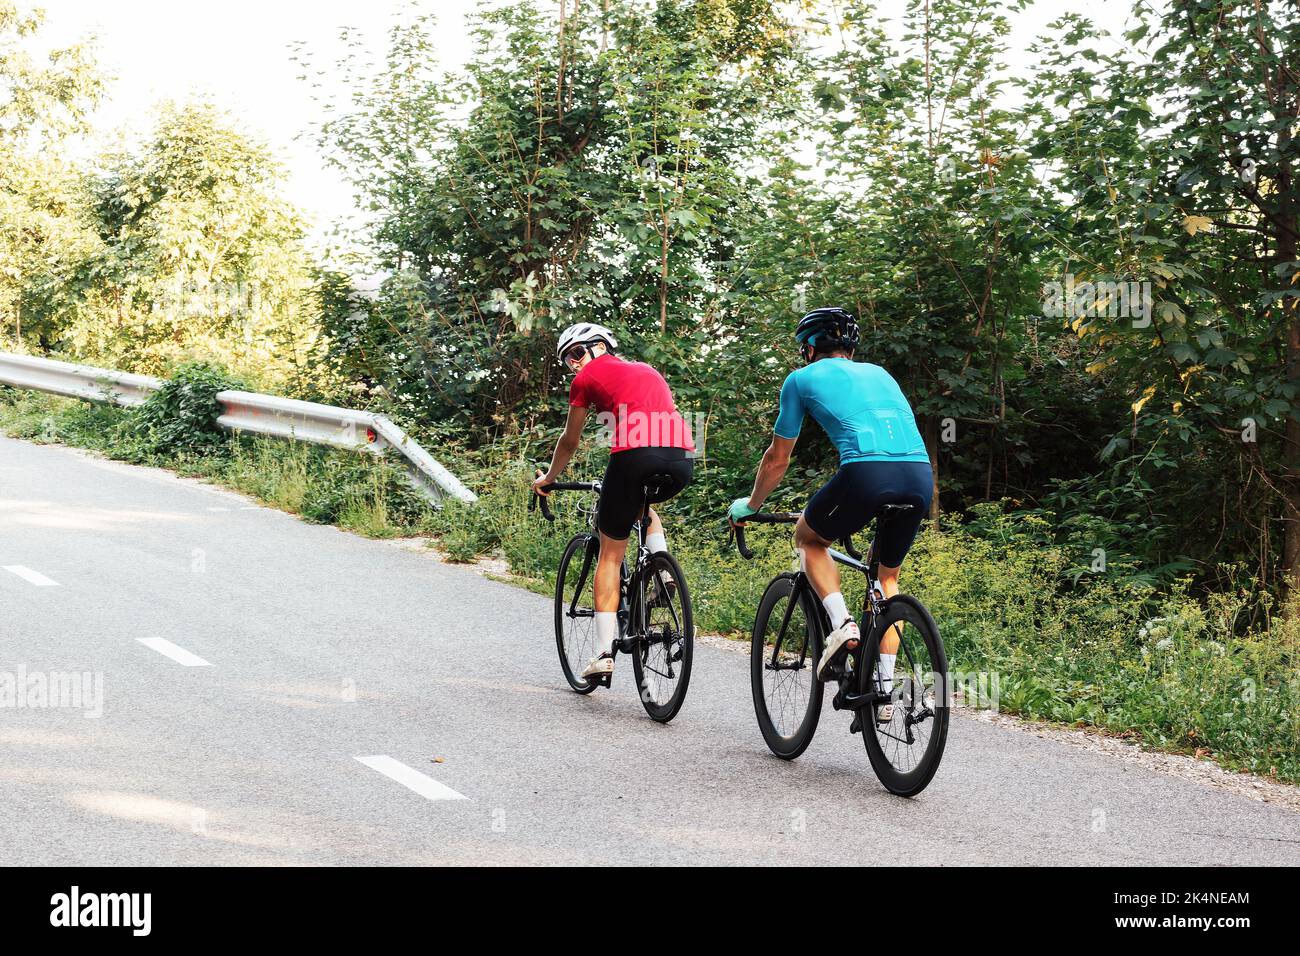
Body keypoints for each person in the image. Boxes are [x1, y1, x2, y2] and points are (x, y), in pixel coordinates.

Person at [727, 308, 932, 721]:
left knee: (810, 539)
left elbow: (777, 459)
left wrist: (751, 505)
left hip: (865, 474)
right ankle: (884, 691)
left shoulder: (800, 380)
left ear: (808, 347)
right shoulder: (881, 374)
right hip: (919, 477)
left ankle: (843, 625)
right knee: (885, 578)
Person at [533, 323, 695, 679]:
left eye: (576, 353)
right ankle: (660, 566)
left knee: (610, 553)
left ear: (599, 347)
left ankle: (603, 653)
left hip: (636, 455)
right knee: (643, 508)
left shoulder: (586, 378)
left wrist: (549, 478)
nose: (574, 364)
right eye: (567, 360)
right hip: (682, 457)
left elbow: (569, 439)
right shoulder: (647, 369)